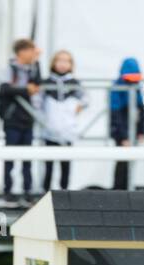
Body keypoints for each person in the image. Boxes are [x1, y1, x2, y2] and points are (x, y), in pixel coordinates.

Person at [0, 38, 41, 206]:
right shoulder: (9, 69)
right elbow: (5, 88)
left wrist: (37, 62)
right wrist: (25, 91)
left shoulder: (33, 68)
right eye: (31, 51)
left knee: (27, 157)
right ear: (21, 52)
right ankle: (8, 190)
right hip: (12, 118)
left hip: (28, 118)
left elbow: (37, 83)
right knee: (10, 156)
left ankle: (27, 190)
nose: (33, 55)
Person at [39, 49, 83, 192]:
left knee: (65, 163)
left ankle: (64, 192)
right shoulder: (46, 82)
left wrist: (79, 106)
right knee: (48, 164)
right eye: (59, 60)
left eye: (66, 61)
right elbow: (37, 102)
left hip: (67, 130)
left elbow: (85, 99)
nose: (63, 64)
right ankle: (45, 192)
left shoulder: (75, 82)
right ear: (53, 63)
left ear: (71, 64)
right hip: (50, 130)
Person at [108, 57, 144, 190]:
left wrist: (141, 131)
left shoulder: (137, 86)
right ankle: (119, 189)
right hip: (121, 131)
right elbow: (115, 114)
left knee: (130, 161)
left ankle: (128, 189)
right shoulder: (117, 87)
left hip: (132, 129)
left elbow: (142, 110)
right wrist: (123, 137)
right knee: (122, 161)